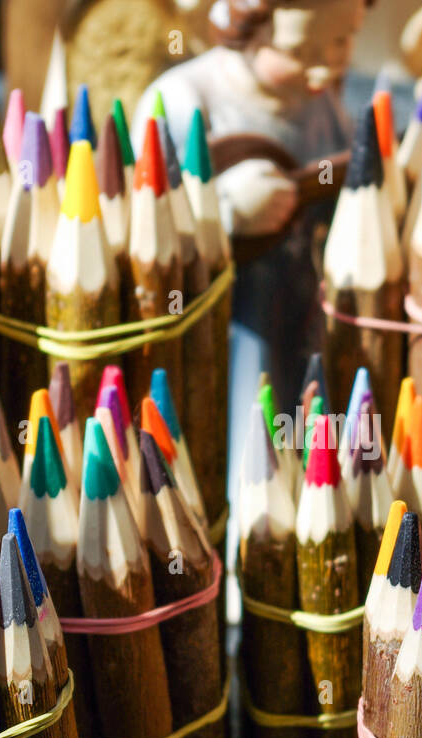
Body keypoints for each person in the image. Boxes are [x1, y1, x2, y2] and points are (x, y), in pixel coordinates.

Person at [133, 0, 367, 509]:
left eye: (342, 41)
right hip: (224, 335)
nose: (325, 65)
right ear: (245, 24)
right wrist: (225, 210)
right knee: (239, 462)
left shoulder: (324, 100)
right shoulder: (182, 99)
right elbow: (138, 225)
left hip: (304, 318)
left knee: (305, 457)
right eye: (297, 49)